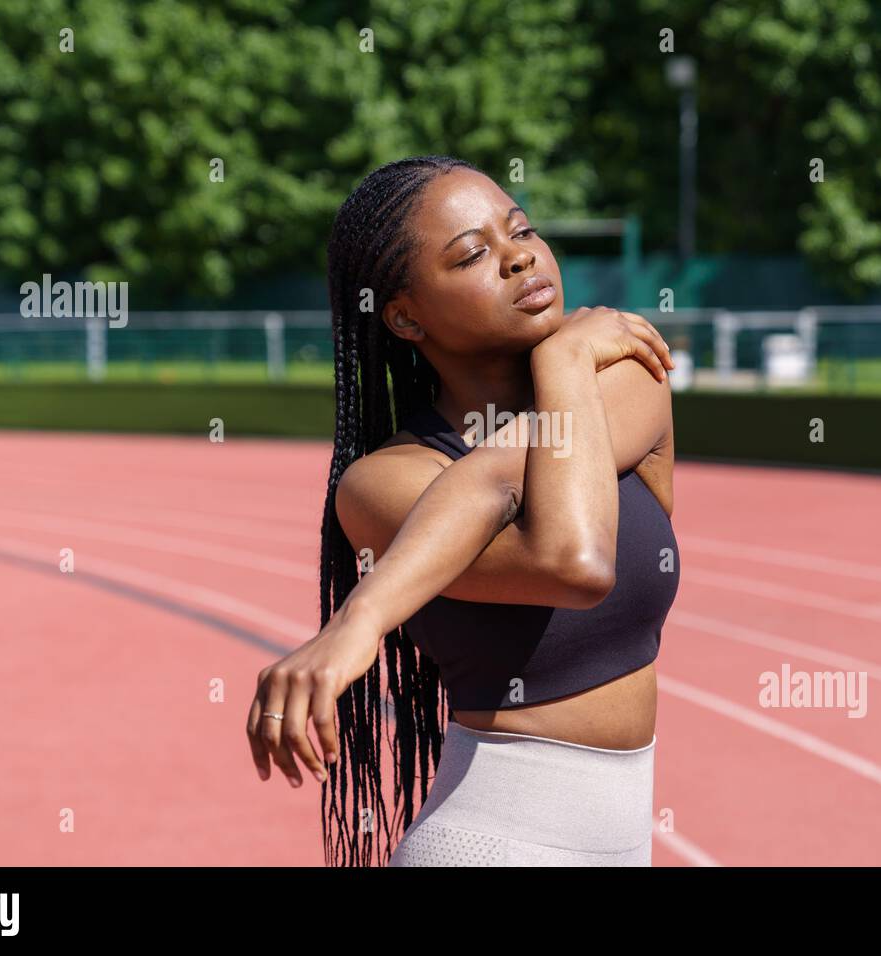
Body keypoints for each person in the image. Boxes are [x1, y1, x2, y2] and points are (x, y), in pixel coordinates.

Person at [245, 155, 680, 866]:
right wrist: (565, 360)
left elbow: (510, 474)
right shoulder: (382, 484)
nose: (518, 259)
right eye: (474, 254)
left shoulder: (623, 378)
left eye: (522, 231)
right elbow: (572, 560)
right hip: (493, 844)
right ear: (406, 316)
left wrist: (569, 362)